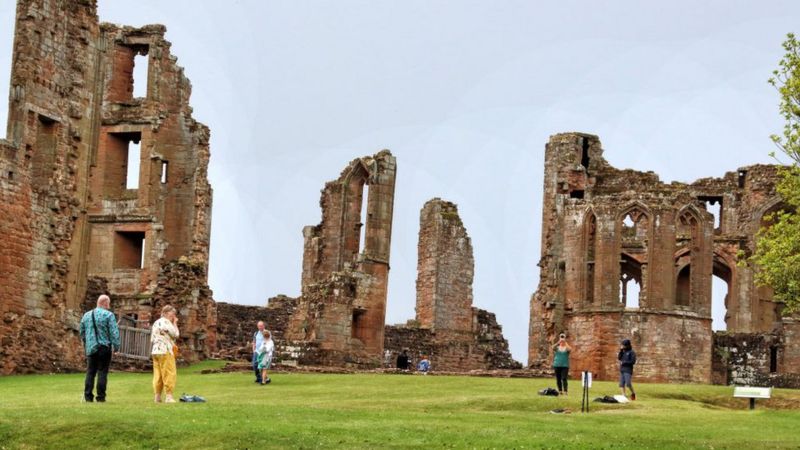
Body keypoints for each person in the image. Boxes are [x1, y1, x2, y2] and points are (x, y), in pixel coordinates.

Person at [79, 295, 120, 403]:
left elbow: (81, 332)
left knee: (90, 372)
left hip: (91, 348)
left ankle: (88, 396)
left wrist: (86, 343)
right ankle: (101, 397)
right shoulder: (109, 315)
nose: (109, 306)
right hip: (104, 347)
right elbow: (114, 332)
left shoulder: (86, 315)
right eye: (108, 303)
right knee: (102, 372)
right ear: (105, 303)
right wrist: (116, 347)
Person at [151, 305, 180, 403]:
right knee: (169, 373)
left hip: (155, 351)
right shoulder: (167, 322)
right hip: (165, 350)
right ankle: (169, 396)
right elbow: (176, 335)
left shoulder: (155, 323)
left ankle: (157, 397)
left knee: (158, 374)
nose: (174, 316)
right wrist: (175, 323)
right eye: (172, 313)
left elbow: (152, 339)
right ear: (166, 313)